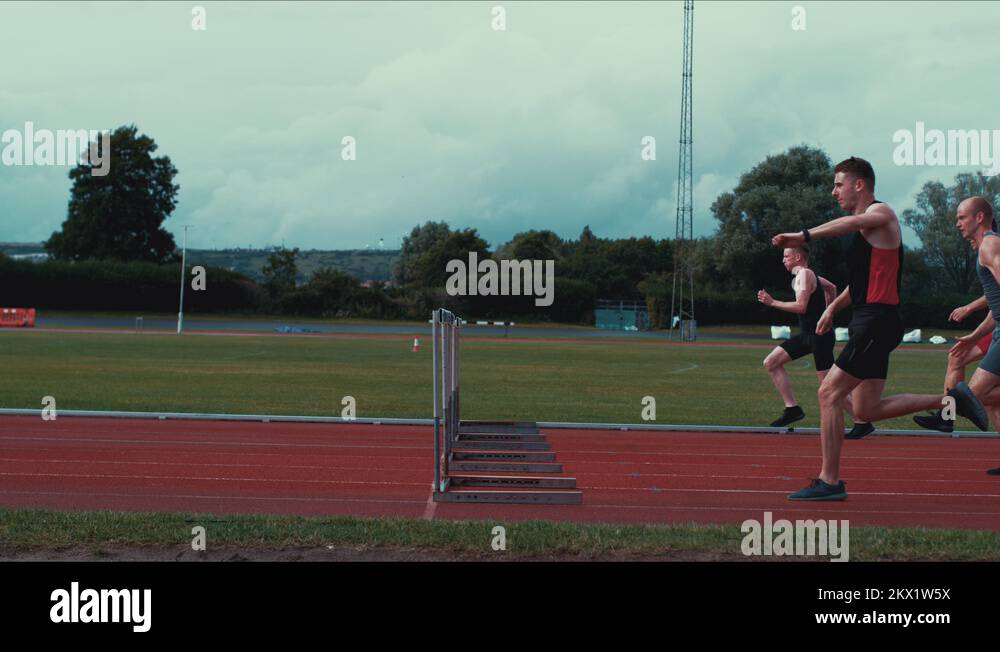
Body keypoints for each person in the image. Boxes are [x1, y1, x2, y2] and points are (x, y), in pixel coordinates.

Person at [771, 157, 988, 500]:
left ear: (860, 184)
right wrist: (832, 307)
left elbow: (848, 223)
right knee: (865, 410)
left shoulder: (882, 214)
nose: (834, 191)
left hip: (877, 321)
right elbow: (858, 282)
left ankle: (830, 482)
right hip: (868, 320)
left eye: (839, 184)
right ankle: (953, 400)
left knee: (828, 393)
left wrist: (803, 235)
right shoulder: (860, 230)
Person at [757, 246, 874, 438]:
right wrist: (828, 312)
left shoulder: (804, 274)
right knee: (771, 362)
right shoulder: (810, 276)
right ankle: (792, 409)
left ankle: (862, 422)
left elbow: (801, 307)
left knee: (829, 387)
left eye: (786, 256)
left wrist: (772, 302)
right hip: (809, 335)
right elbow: (831, 287)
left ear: (797, 257)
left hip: (819, 337)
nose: (783, 260)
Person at [936, 197, 1000, 475]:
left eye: (962, 217)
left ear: (980, 217)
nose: (958, 223)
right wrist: (975, 335)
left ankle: (945, 416)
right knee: (986, 399)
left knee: (974, 395)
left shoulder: (989, 244)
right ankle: (944, 416)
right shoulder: (986, 246)